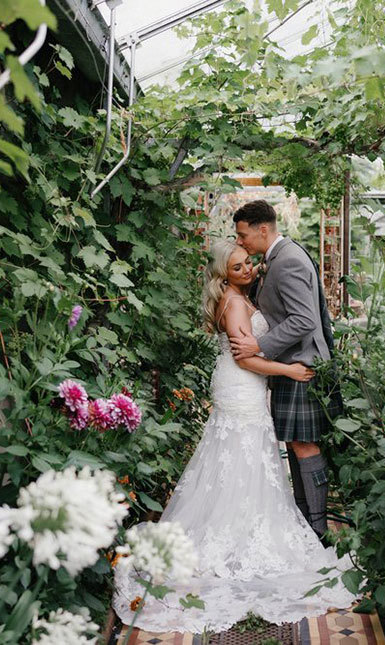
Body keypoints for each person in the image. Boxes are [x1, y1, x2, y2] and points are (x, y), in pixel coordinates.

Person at [111, 239, 356, 633]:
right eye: (239, 266)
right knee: (243, 453)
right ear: (225, 273)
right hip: (242, 384)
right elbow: (245, 356)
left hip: (242, 385)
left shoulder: (234, 295)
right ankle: (235, 534)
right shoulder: (236, 301)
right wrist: (289, 371)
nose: (249, 270)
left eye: (249, 263)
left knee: (238, 456)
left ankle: (242, 523)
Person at [229, 199, 342, 538]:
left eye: (242, 235)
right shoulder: (277, 257)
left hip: (301, 365)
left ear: (263, 229)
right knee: (296, 443)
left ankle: (318, 530)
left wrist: (259, 346)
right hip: (293, 363)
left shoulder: (287, 261)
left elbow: (304, 320)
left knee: (305, 445)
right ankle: (307, 523)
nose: (239, 242)